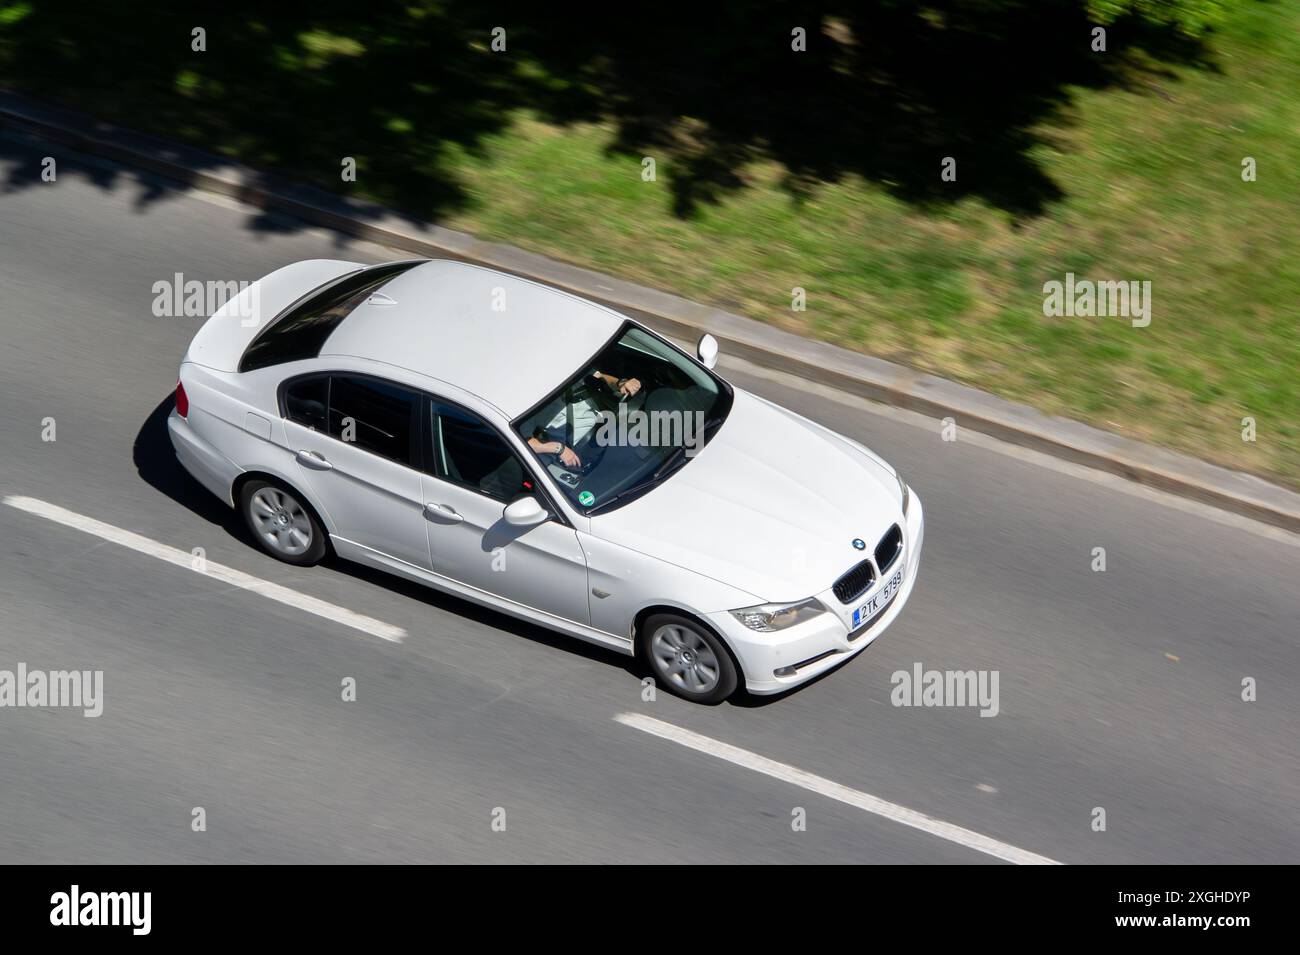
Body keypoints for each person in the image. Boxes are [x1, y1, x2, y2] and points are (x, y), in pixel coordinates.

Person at [527, 371, 641, 468]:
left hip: (611, 428)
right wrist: (559, 449)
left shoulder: (572, 372)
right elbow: (524, 441)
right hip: (573, 454)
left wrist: (622, 383)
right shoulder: (533, 406)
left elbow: (600, 376)